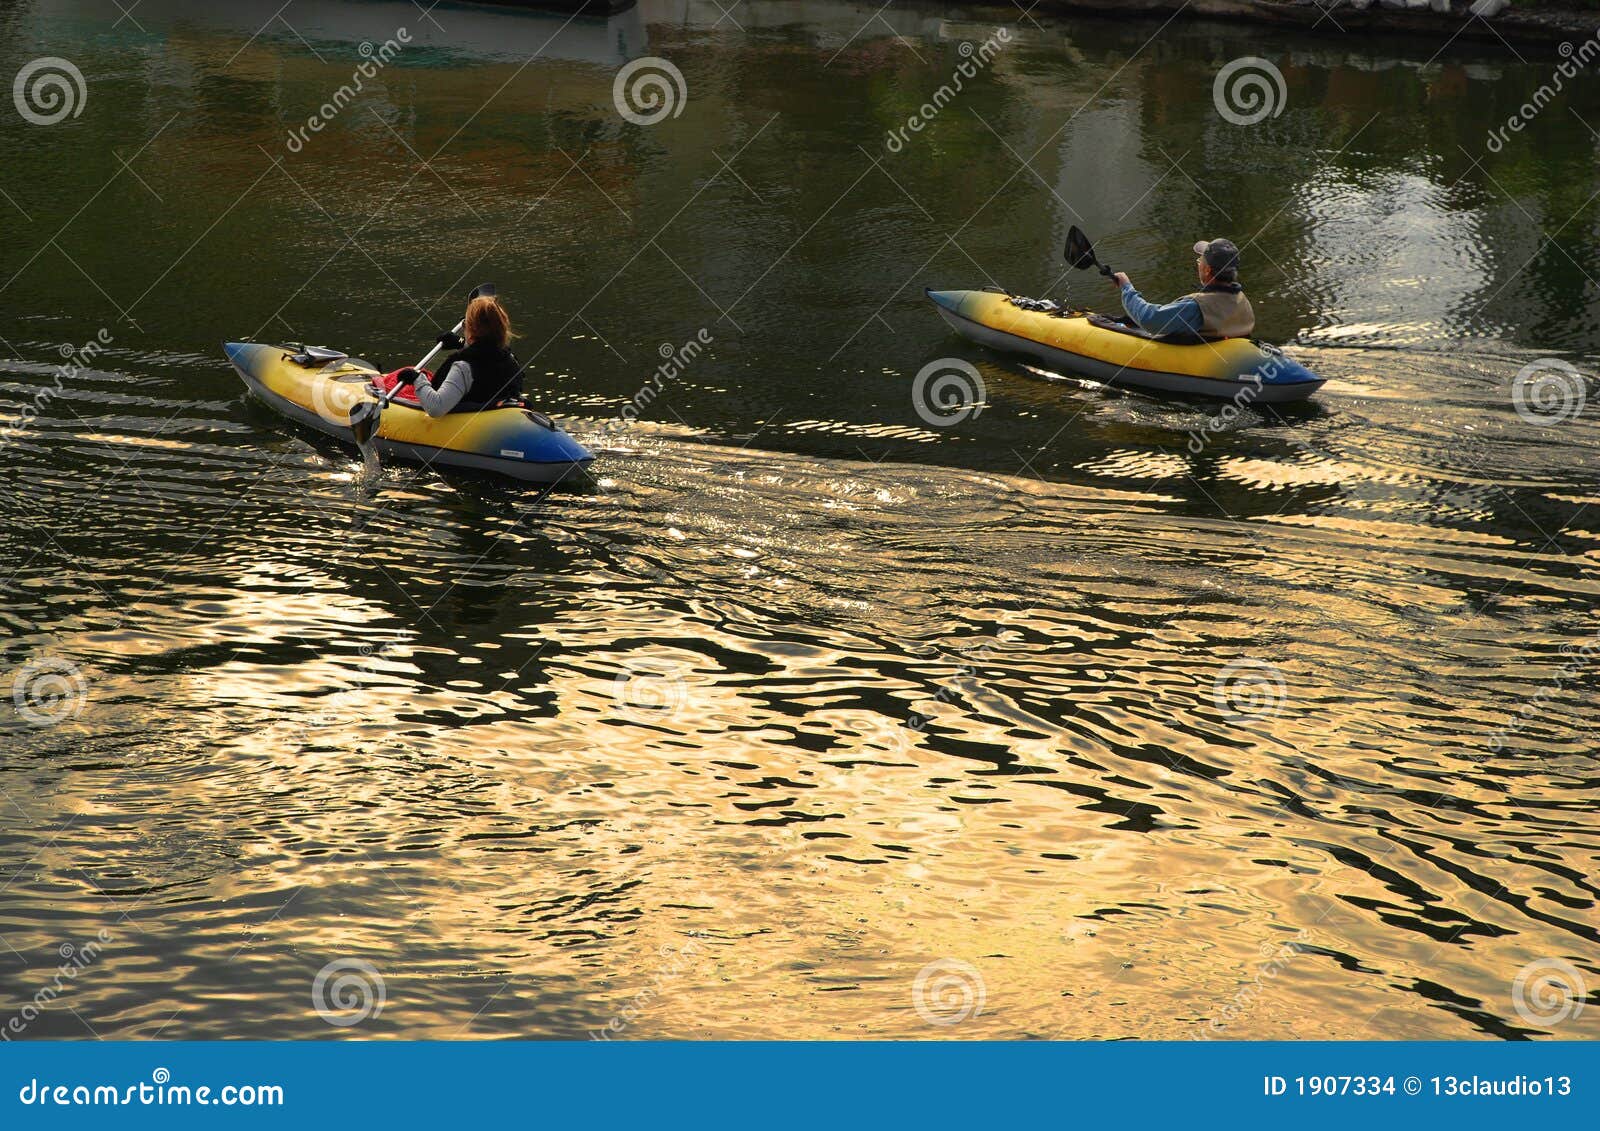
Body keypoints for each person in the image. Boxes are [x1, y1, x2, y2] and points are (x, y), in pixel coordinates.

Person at [398, 295, 524, 416]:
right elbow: (485, 352)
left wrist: (417, 379)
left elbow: (436, 408)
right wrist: (460, 342)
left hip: (476, 425)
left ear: (471, 329)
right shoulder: (510, 359)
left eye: (465, 324)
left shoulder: (463, 367)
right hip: (502, 416)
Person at [1109, 238, 1255, 341]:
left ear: (1207, 270)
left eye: (1200, 261)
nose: (1198, 264)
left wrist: (1126, 288)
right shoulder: (1241, 298)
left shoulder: (1195, 306)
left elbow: (1150, 320)